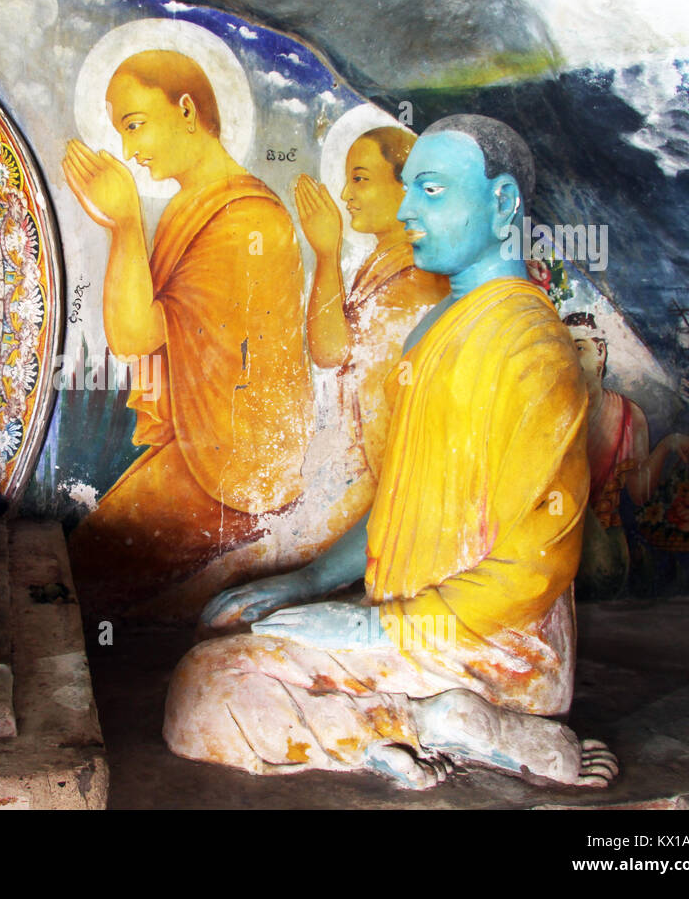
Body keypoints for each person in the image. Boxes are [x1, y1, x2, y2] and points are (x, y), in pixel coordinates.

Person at [165, 115, 618, 790]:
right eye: (409, 189)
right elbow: (400, 506)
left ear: (501, 205)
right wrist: (310, 582)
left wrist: (372, 630)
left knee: (202, 692)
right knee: (218, 639)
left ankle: (445, 723)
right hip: (415, 630)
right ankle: (431, 723)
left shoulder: (531, 350)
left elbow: (533, 570)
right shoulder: (436, 329)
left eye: (431, 191)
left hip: (492, 647)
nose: (407, 209)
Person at [62, 49, 312, 621]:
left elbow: (135, 336)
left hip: (236, 465)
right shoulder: (190, 207)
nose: (129, 150)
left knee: (82, 572)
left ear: (185, 109)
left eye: (134, 125)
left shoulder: (245, 219)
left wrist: (125, 222)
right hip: (201, 449)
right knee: (79, 570)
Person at [178, 126, 448, 604]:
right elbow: (331, 351)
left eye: (361, 179)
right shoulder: (382, 265)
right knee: (211, 582)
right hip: (340, 476)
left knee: (219, 591)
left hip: (376, 492)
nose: (346, 195)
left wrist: (326, 252)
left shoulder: (419, 280)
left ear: (405, 187)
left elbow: (333, 354)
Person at [565, 311, 689, 593]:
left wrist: (668, 444)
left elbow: (639, 493)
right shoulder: (552, 414)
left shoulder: (628, 414)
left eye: (579, 348)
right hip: (559, 539)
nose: (572, 361)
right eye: (564, 350)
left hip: (608, 544)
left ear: (600, 352)